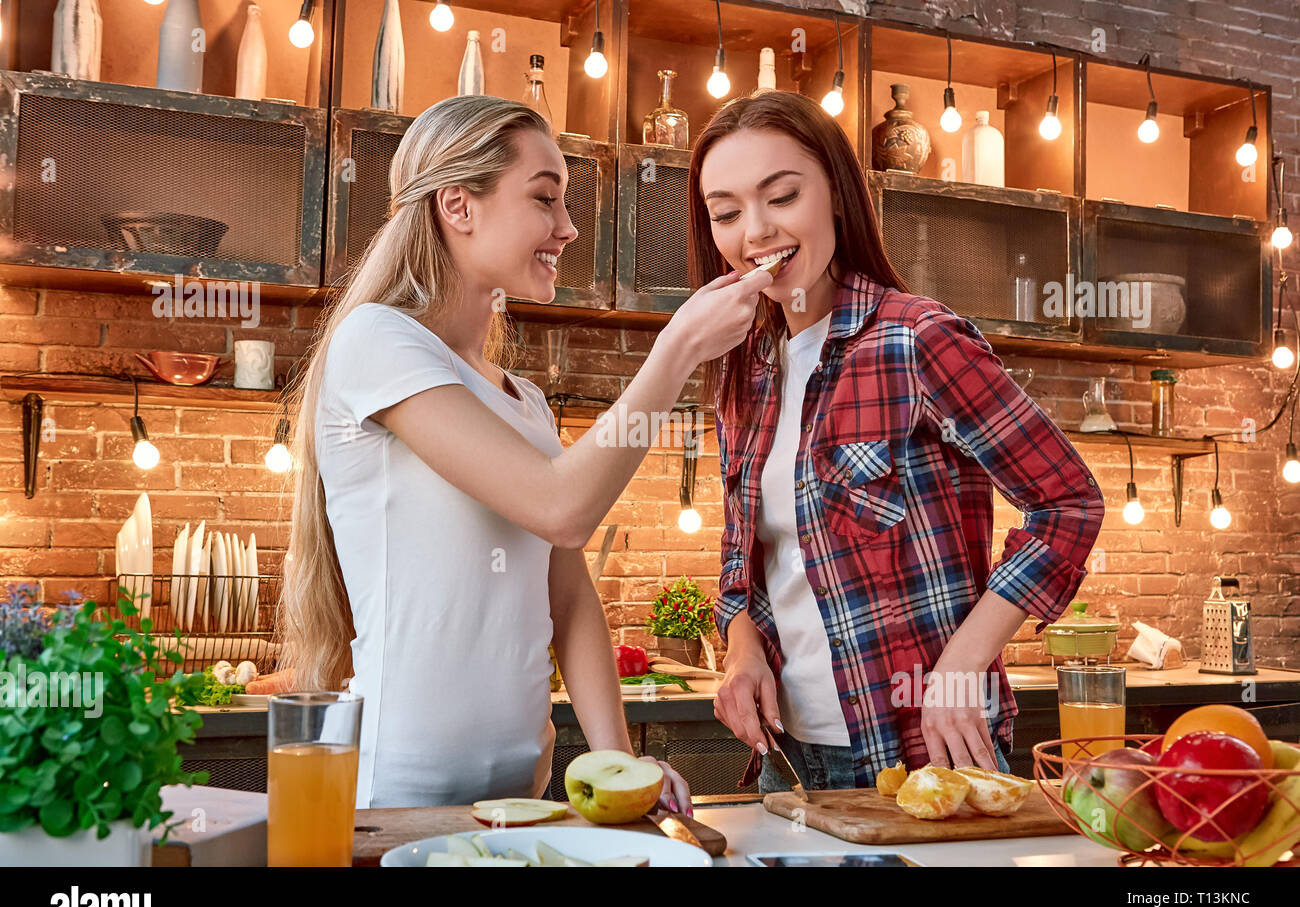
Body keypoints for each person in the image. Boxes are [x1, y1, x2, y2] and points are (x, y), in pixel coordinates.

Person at [277, 95, 775, 809]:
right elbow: (562, 509)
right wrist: (678, 351)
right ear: (459, 206)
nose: (568, 228)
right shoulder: (377, 341)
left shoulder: (524, 402)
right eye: (545, 199)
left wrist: (620, 762)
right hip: (395, 792)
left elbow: (569, 597)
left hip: (521, 792)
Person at [692, 91, 1106, 793]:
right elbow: (743, 561)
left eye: (782, 196)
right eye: (727, 213)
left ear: (838, 196)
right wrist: (740, 652)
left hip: (925, 754)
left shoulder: (915, 340)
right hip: (789, 762)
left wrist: (960, 666)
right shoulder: (747, 375)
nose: (755, 232)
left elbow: (1068, 503)